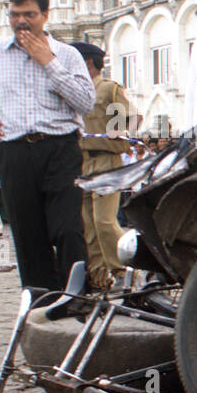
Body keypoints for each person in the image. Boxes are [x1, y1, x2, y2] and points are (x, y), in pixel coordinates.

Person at [0, 0, 95, 292]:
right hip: (15, 151)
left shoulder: (67, 54)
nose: (21, 21)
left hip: (60, 148)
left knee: (67, 229)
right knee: (27, 233)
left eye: (29, 14)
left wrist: (48, 63)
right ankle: (40, 303)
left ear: (45, 15)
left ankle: (75, 299)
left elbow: (85, 102)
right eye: (14, 15)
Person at [73, 41, 137, 291]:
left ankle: (126, 266)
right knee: (88, 224)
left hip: (107, 160)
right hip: (83, 161)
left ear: (88, 63)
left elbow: (131, 119)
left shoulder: (109, 89)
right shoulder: (76, 92)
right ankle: (99, 276)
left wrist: (121, 131)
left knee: (104, 221)